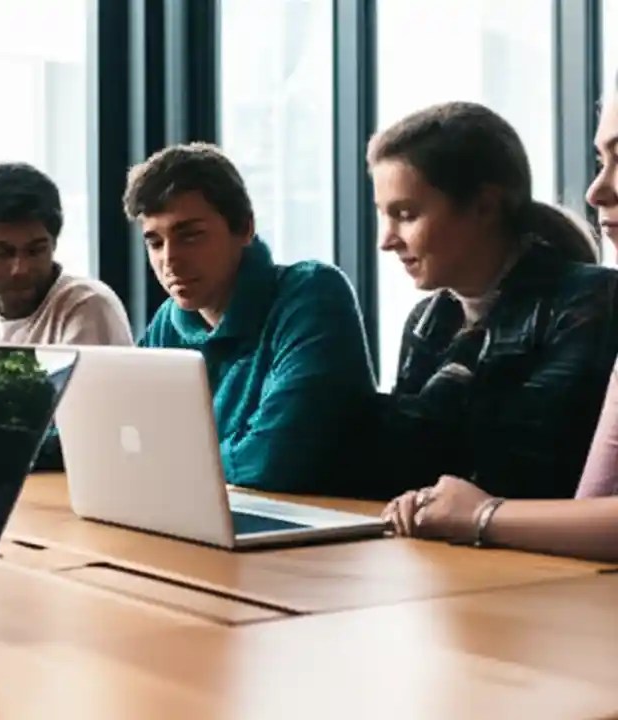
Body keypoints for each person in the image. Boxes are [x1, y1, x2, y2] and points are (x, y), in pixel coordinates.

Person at [380, 88, 618, 562]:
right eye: (600, 160)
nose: (387, 240)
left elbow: (524, 473)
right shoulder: (428, 322)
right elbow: (407, 469)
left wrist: (477, 513)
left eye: (406, 215)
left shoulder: (592, 302)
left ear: (485, 207)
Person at [127, 143, 375, 493]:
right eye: (155, 242)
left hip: (318, 517)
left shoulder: (312, 294)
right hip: (210, 508)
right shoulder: (170, 320)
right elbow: (121, 434)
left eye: (190, 236)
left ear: (245, 228)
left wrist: (160, 461)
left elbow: (271, 459)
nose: (170, 260)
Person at [0, 163, 133, 346]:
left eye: (35, 251)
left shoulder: (87, 305)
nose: (20, 269)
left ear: (54, 244)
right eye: (1, 254)